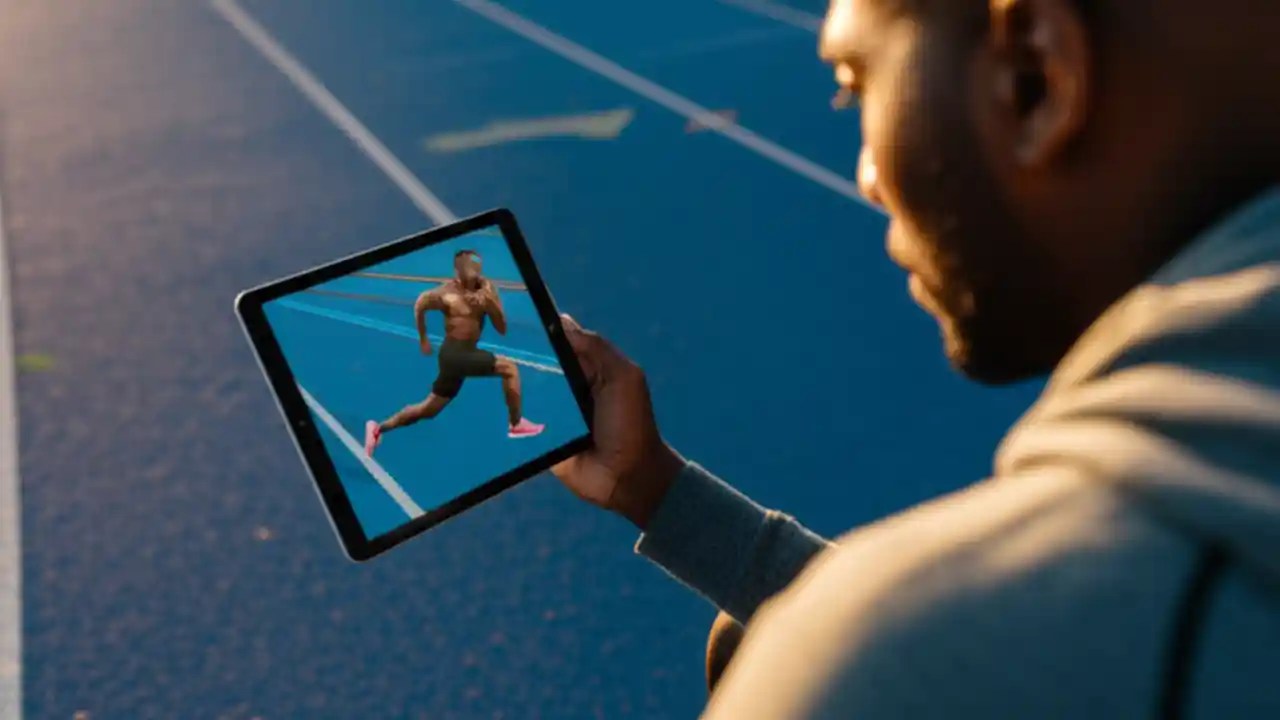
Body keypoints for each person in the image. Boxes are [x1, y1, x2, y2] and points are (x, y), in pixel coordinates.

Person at [551, 0, 1280, 716]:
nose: (868, 176)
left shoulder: (863, 674)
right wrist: (658, 491)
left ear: (1033, 76)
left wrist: (829, 647)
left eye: (855, 83)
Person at [365, 249, 544, 457]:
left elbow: (502, 329)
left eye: (476, 267)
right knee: (510, 369)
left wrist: (489, 304)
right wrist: (423, 338)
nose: (474, 272)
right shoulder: (446, 293)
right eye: (468, 267)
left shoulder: (488, 290)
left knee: (429, 409)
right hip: (453, 352)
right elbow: (420, 303)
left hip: (464, 353)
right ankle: (516, 423)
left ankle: (379, 428)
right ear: (457, 271)